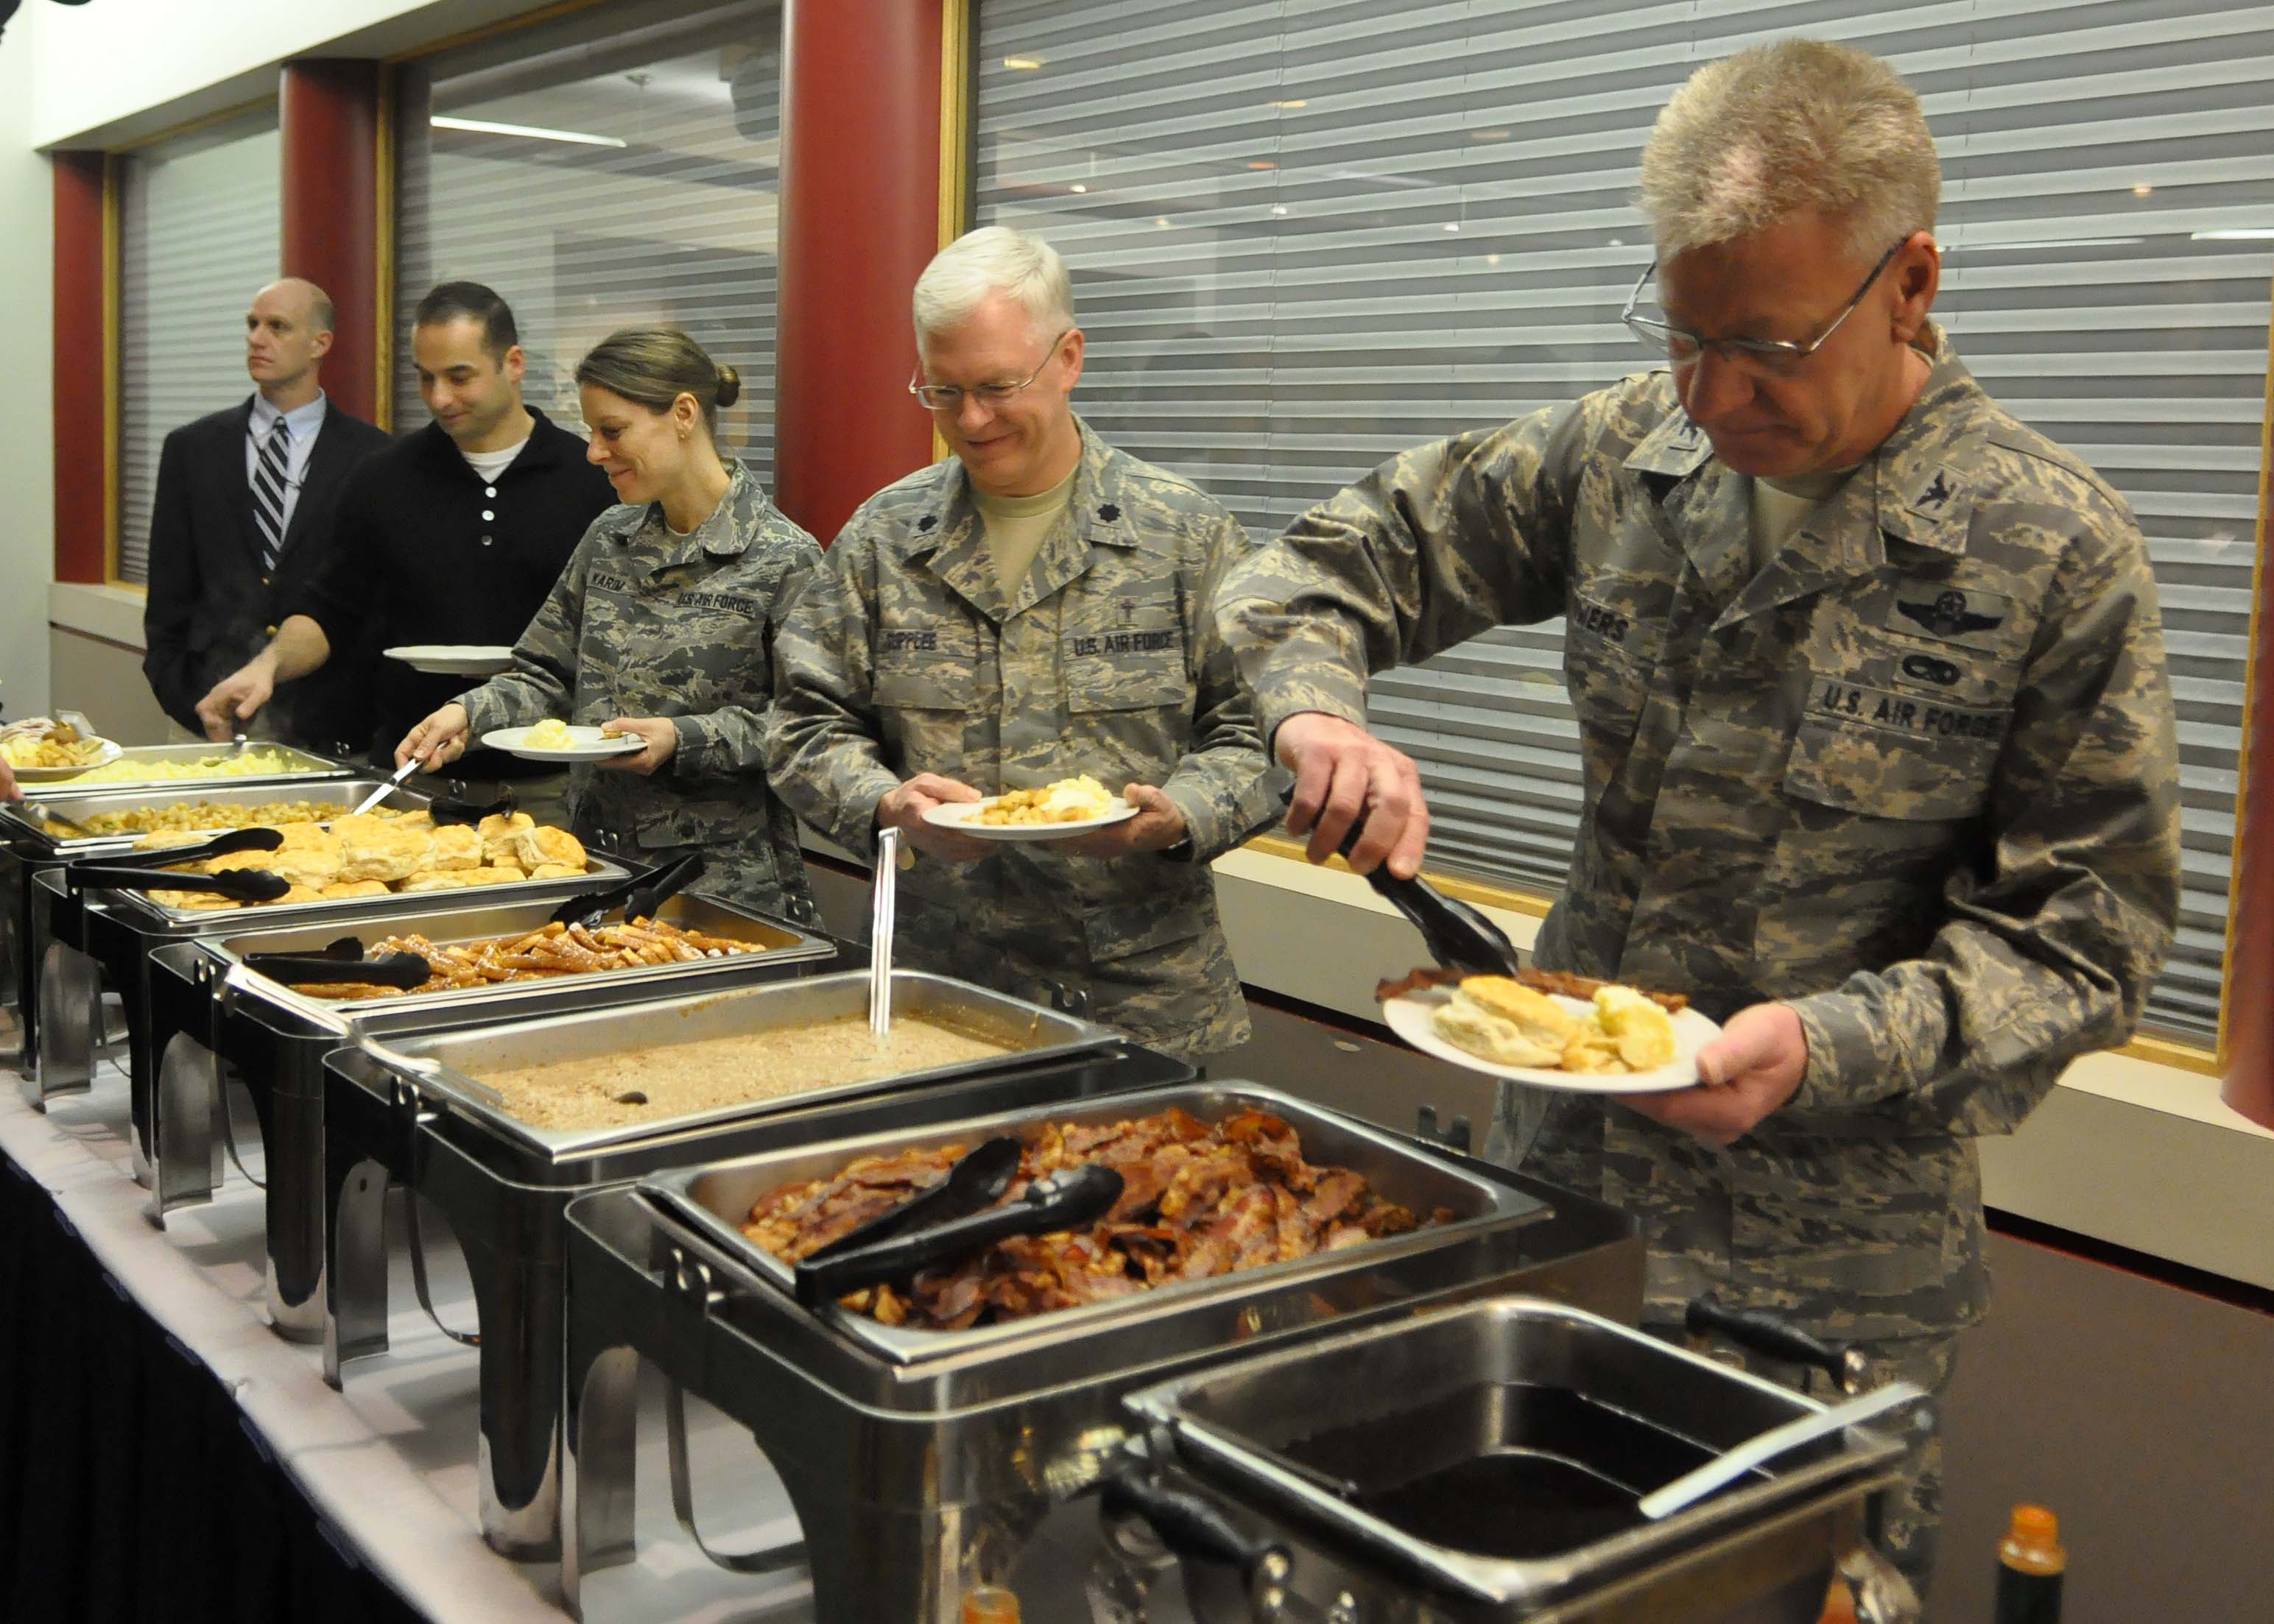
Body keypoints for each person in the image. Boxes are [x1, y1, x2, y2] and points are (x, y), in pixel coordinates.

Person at [1213, 40, 2180, 1593]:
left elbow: (2085, 940)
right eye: (1681, 333)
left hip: (1824, 1267)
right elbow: (1314, 567)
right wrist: (1316, 709)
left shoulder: (2046, 548)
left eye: (1766, 343)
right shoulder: (1620, 461)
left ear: (1910, 282)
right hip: (1562, 1199)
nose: (1714, 392)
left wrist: (1828, 1043)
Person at [767, 227, 1279, 1059]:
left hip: (1135, 996)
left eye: (997, 386)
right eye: (942, 391)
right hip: (936, 986)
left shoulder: (1184, 537)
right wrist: (885, 803)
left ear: (1068, 358)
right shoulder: (885, 539)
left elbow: (1262, 733)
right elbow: (802, 726)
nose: (971, 420)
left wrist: (1184, 813)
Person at [394, 328, 819, 922]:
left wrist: (683, 738)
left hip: (718, 889)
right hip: (595, 863)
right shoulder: (610, 537)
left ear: (684, 415)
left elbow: (809, 729)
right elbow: (545, 674)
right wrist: (469, 713)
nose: (594, 453)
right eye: (592, 432)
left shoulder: (782, 557)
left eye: (612, 431)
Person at [194, 282, 615, 809]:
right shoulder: (383, 478)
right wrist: (267, 667)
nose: (439, 398)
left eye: (459, 377)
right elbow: (331, 609)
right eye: (425, 377)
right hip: (413, 776)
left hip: (555, 783)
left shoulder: (592, 479)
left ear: (513, 364)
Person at [141, 278, 388, 750]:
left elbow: (375, 597)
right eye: (252, 324)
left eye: (277, 327)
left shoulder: (372, 456)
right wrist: (179, 692)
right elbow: (168, 594)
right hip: (208, 713)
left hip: (331, 724)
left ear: (320, 343)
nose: (257, 338)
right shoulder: (192, 449)